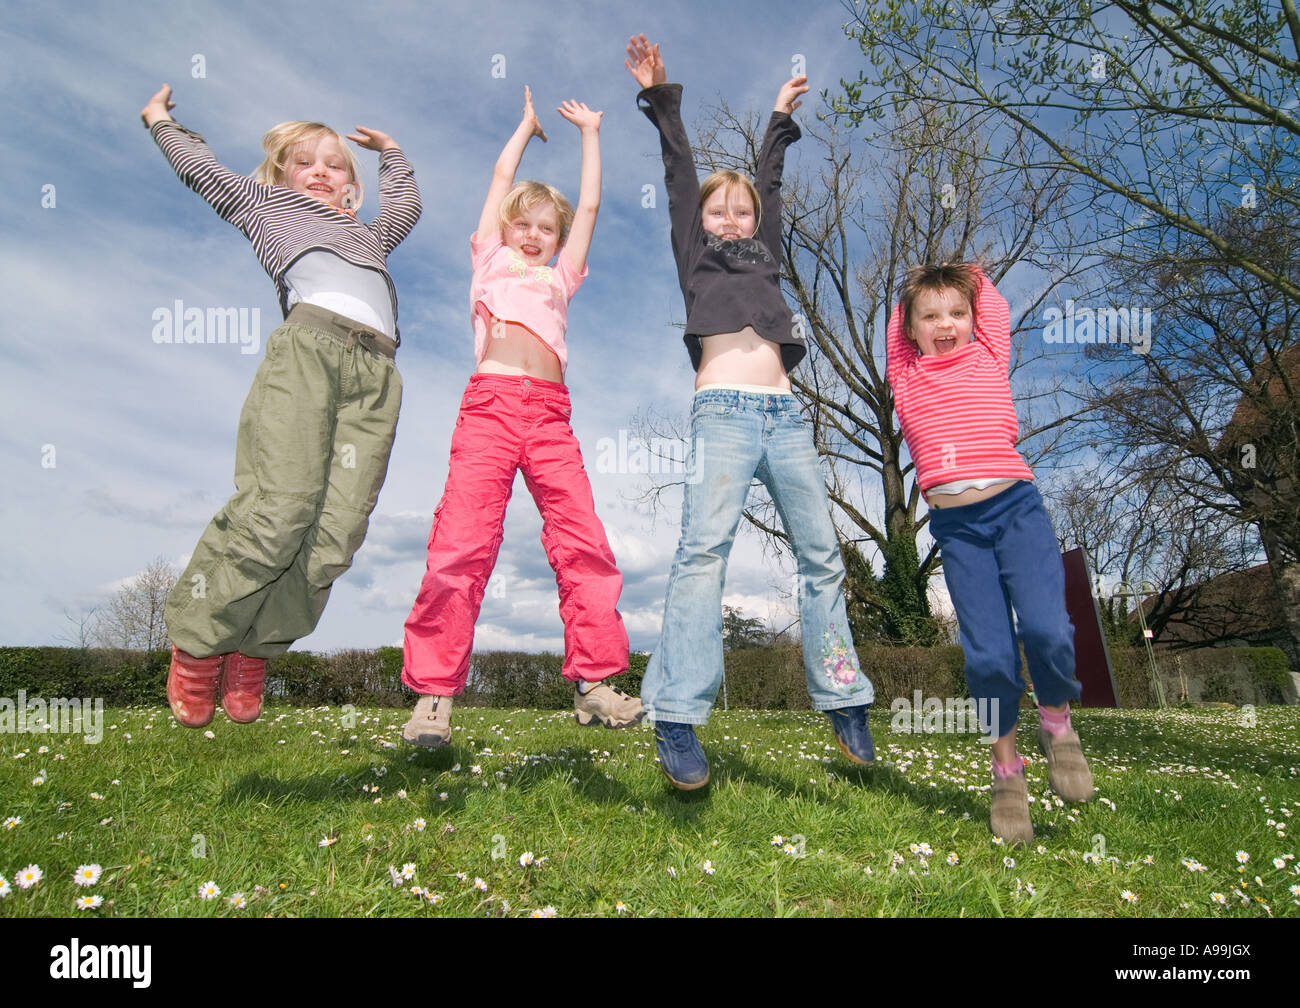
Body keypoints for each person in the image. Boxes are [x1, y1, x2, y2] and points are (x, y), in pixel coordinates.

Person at [626, 36, 874, 791]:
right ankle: (677, 714)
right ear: (702, 221)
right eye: (720, 210)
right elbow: (677, 173)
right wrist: (661, 94)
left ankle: (842, 694)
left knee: (822, 555)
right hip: (723, 414)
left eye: (742, 211)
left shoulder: (764, 250)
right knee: (704, 555)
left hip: (787, 417)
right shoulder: (693, 253)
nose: (733, 219)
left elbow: (770, 174)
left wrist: (777, 117)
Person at [141, 83, 421, 729]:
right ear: (279, 173)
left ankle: (256, 650)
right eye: (305, 161)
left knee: (336, 531)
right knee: (281, 507)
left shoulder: (369, 235)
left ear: (350, 185)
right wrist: (159, 120)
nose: (320, 171)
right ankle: (201, 642)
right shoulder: (266, 206)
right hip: (309, 352)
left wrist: (393, 153)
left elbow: (407, 204)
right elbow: (200, 170)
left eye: (334, 164)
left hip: (377, 372)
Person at [401, 87, 641, 748]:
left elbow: (589, 202)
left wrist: (591, 132)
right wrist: (525, 127)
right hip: (489, 408)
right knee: (462, 544)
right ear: (504, 230)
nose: (534, 235)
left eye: (546, 227)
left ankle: (594, 685)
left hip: (551, 417)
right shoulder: (489, 258)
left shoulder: (562, 277)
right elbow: (502, 178)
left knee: (584, 541)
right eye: (524, 224)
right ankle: (432, 698)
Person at [885, 262, 1094, 844]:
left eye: (957, 313)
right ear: (911, 329)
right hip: (959, 529)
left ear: (976, 321)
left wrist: (957, 271)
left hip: (1017, 512)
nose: (945, 324)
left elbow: (994, 301)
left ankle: (1057, 724)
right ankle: (1007, 773)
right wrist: (916, 281)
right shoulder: (906, 374)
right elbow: (892, 324)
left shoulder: (988, 356)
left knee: (1050, 631)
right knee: (989, 659)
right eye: (930, 316)